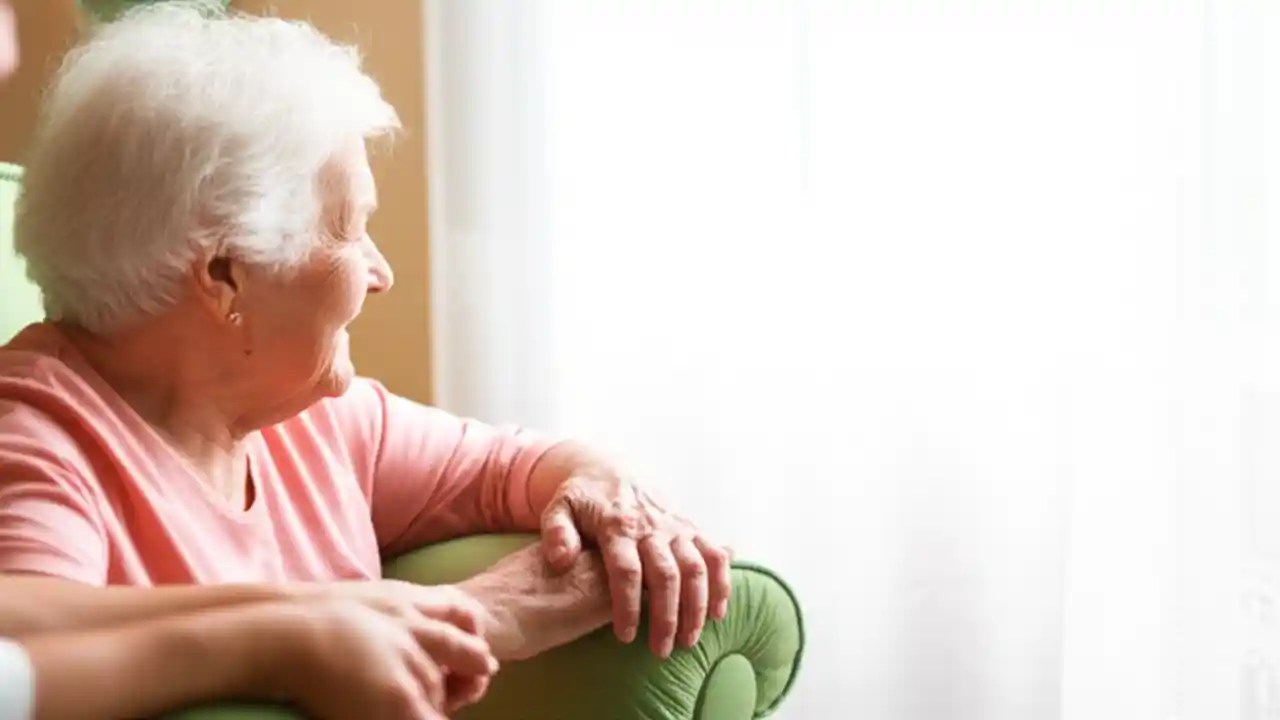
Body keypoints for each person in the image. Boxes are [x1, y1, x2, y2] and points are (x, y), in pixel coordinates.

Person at [0, 1, 733, 715]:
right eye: (351, 230)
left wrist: (603, 484)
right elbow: (20, 647)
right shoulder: (37, 435)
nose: (381, 273)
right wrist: (462, 614)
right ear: (226, 276)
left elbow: (516, 468)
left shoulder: (322, 419)